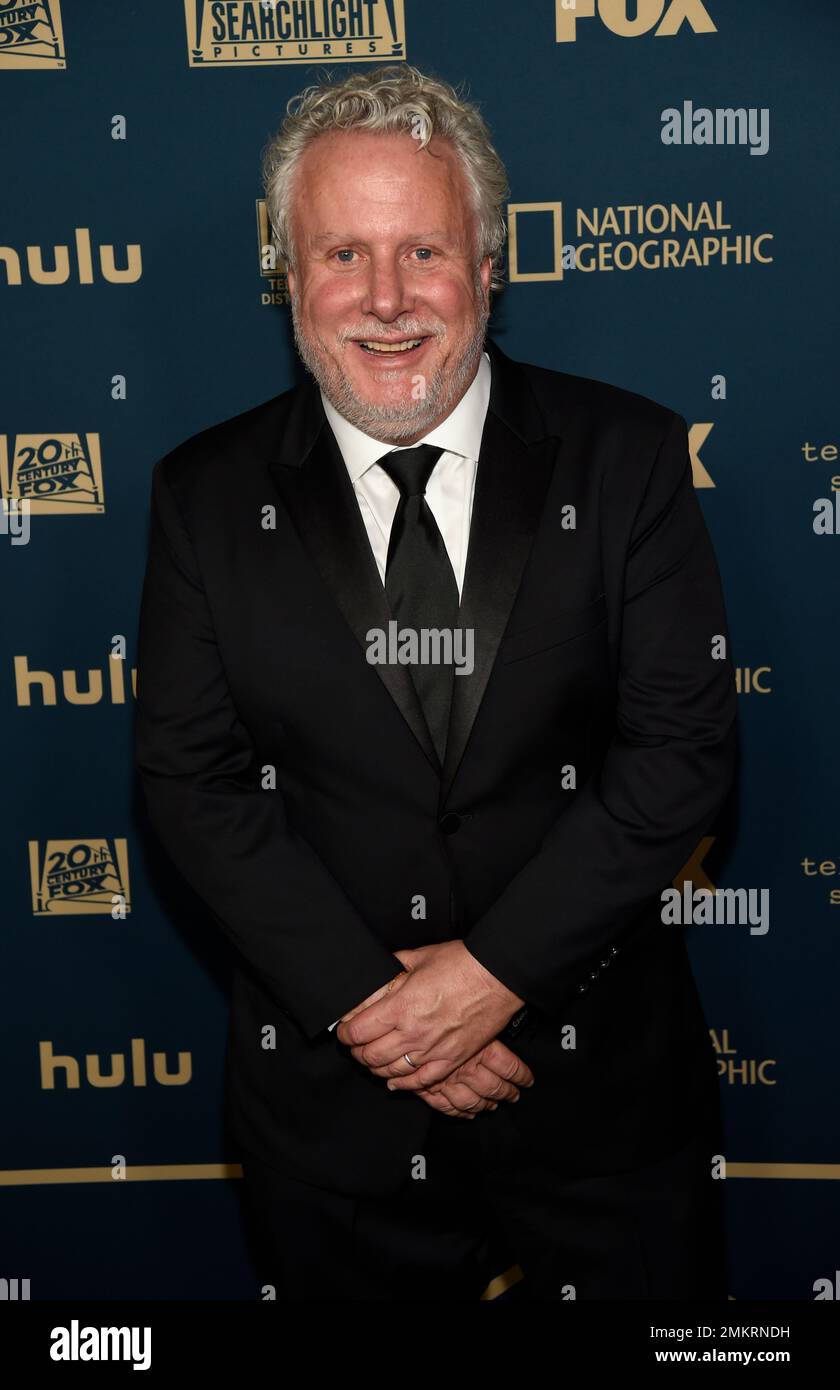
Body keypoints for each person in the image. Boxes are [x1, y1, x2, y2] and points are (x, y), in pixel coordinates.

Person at [134, 64, 737, 1300]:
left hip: (603, 1106)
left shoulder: (625, 458)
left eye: (426, 250)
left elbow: (680, 753)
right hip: (334, 1126)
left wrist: (494, 977)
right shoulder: (203, 495)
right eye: (343, 253)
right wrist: (376, 1007)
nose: (387, 301)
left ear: (493, 264)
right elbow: (192, 781)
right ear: (289, 278)